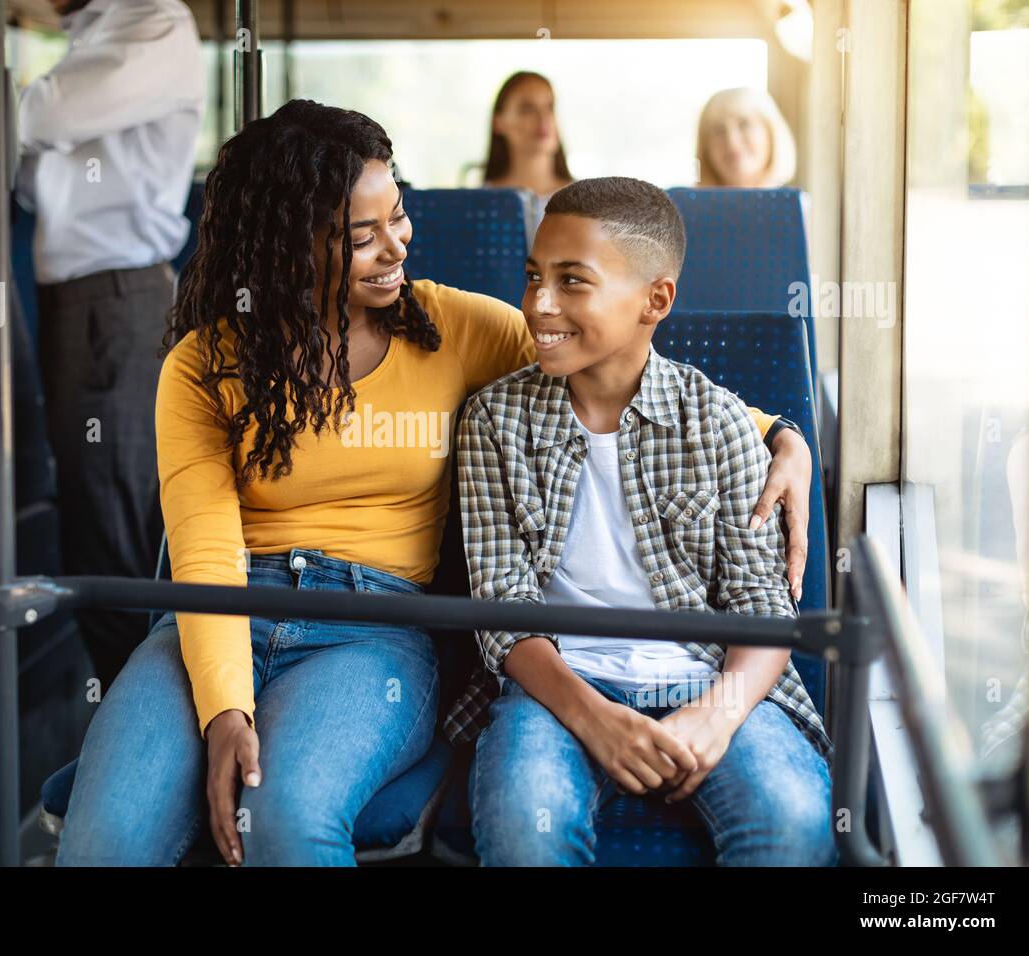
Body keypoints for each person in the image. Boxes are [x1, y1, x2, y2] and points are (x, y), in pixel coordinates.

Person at [54, 100, 818, 867]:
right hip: (220, 611)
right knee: (104, 844)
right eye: (363, 235)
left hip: (370, 626)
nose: (396, 246)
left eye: (399, 216)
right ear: (289, 247)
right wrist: (225, 710)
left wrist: (780, 435)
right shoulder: (201, 364)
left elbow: (611, 363)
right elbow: (205, 552)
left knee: (285, 820)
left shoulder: (454, 330)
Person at [452, 177, 835, 866]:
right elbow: (503, 611)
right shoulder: (492, 421)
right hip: (557, 685)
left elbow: (764, 609)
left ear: (654, 300)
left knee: (791, 825)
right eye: (534, 277)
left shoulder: (716, 420)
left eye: (573, 282)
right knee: (524, 829)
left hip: (705, 675)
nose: (539, 305)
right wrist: (595, 720)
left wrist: (715, 718)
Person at [0, 0, 207, 691]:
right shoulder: (89, 35)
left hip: (116, 304)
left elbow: (48, 115)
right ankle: (133, 732)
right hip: (81, 303)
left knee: (116, 533)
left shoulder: (153, 21)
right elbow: (45, 178)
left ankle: (138, 739)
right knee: (95, 523)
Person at [481, 71, 574, 243]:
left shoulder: (584, 202)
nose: (543, 118)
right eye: (528, 109)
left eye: (550, 107)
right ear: (498, 122)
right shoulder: (477, 205)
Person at [695, 87, 797, 188]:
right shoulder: (683, 203)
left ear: (770, 132)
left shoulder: (797, 203)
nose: (732, 141)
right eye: (718, 130)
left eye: (744, 124)